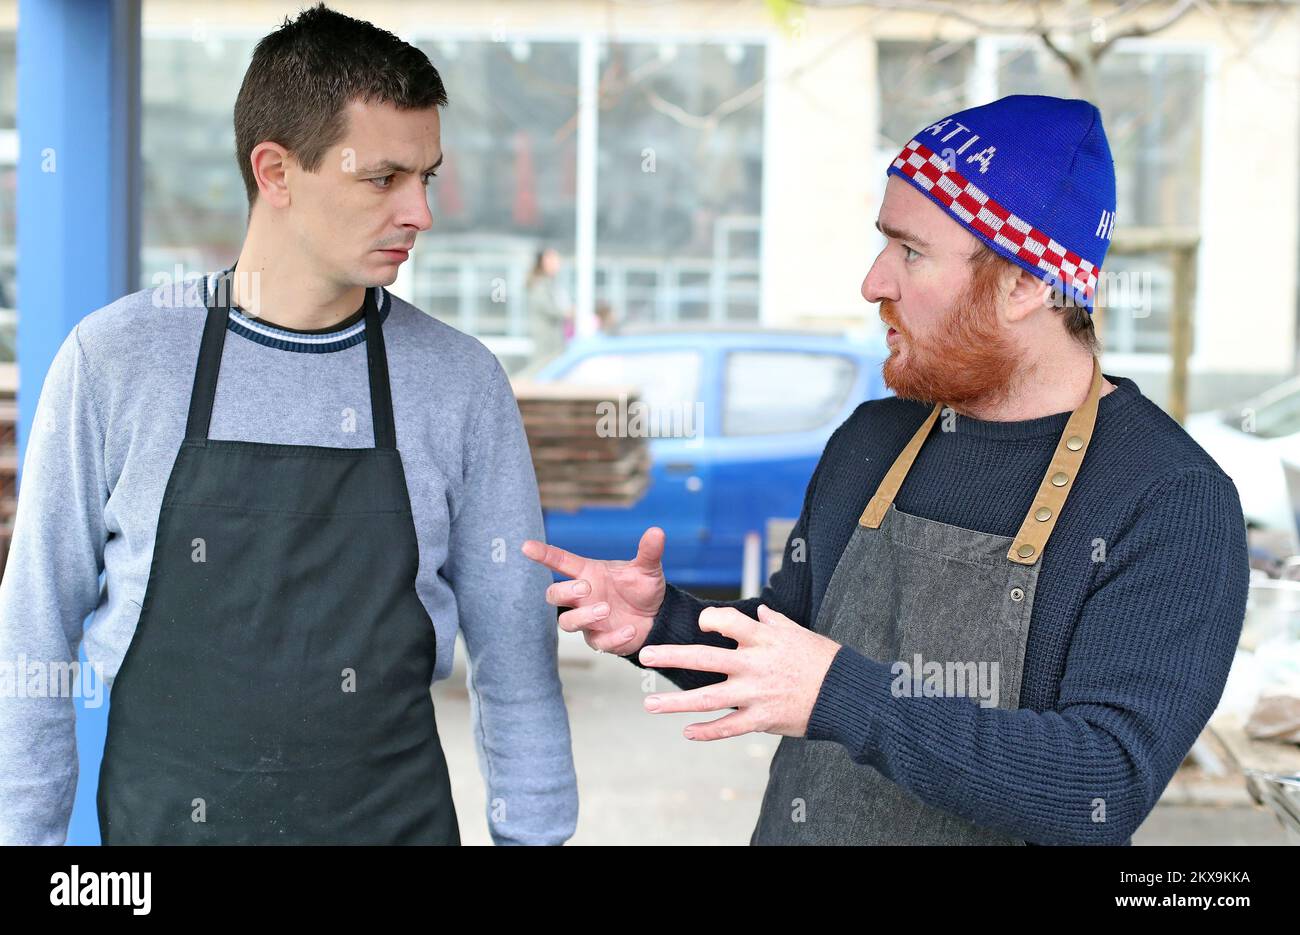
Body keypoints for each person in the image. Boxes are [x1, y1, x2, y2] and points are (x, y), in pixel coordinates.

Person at [523, 95, 1249, 845]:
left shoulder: (1168, 498)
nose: (874, 283)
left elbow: (1101, 780)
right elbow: (792, 644)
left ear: (1028, 282)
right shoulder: (873, 439)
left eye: (911, 251)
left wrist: (845, 693)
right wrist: (662, 621)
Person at [0, 3, 577, 845]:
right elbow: (34, 632)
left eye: (428, 176)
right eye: (385, 178)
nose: (421, 211)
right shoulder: (115, 361)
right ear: (275, 171)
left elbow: (518, 658)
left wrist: (537, 838)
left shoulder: (460, 383)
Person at [525, 247, 570, 371]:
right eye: (554, 260)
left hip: (553, 341)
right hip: (547, 342)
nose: (558, 263)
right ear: (544, 262)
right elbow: (550, 309)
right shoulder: (539, 285)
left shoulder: (550, 283)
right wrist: (567, 313)